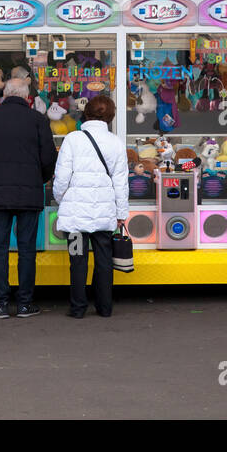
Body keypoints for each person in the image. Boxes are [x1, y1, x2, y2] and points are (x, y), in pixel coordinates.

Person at [0, 76, 57, 319]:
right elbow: (49, 158)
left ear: (5, 94)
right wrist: (39, 180)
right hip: (29, 193)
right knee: (27, 249)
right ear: (27, 96)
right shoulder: (38, 120)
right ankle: (25, 304)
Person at [51, 94, 129, 318]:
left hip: (76, 216)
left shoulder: (73, 139)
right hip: (104, 215)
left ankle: (78, 308)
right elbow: (120, 182)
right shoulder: (115, 142)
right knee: (103, 260)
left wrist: (61, 199)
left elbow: (62, 178)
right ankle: (104, 308)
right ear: (111, 116)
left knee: (78, 261)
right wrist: (121, 213)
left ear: (87, 114)